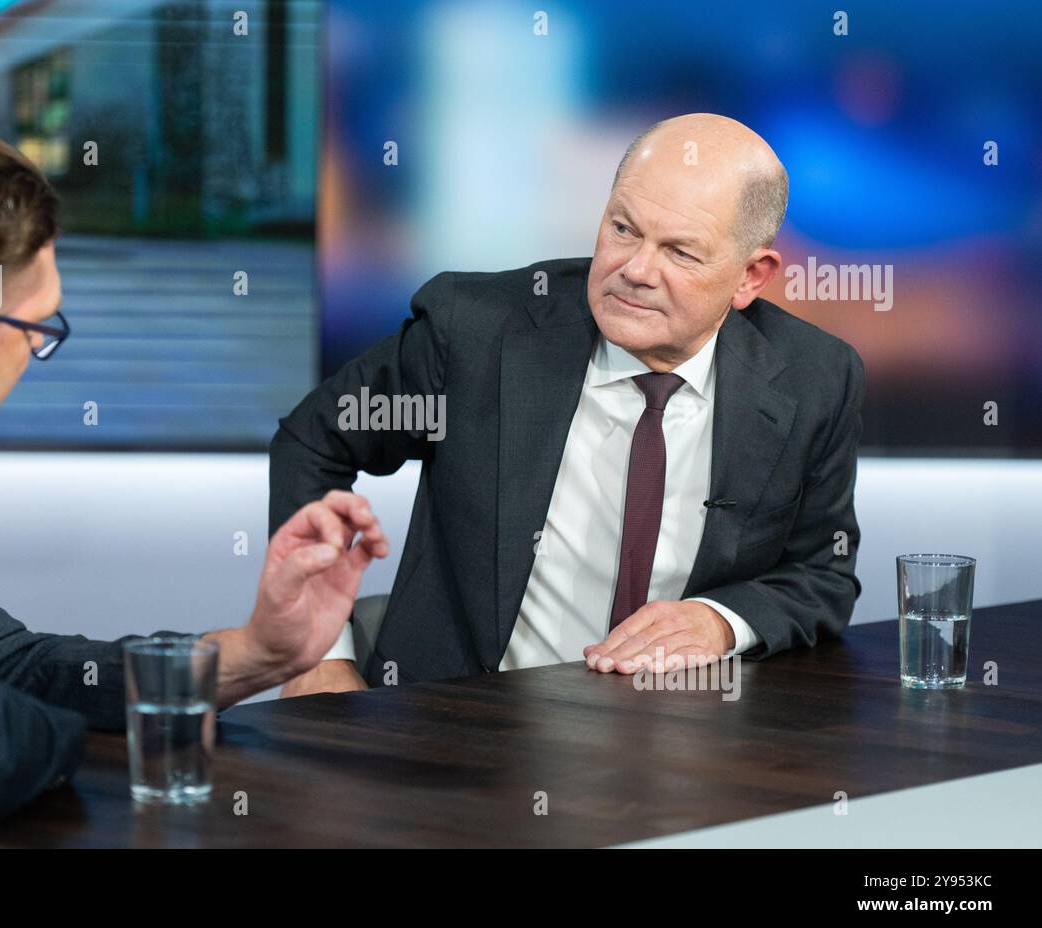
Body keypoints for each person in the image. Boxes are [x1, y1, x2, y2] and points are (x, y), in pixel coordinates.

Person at [0, 122, 388, 822]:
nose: (36, 352)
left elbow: (6, 663)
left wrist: (256, 652)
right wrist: (87, 741)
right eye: (37, 331)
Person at [270, 113, 865, 696]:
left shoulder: (814, 379)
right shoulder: (475, 335)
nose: (635, 271)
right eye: (623, 228)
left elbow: (820, 574)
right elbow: (313, 443)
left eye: (680, 252)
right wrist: (318, 655)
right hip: (458, 737)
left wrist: (719, 621)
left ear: (750, 277)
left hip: (687, 746)